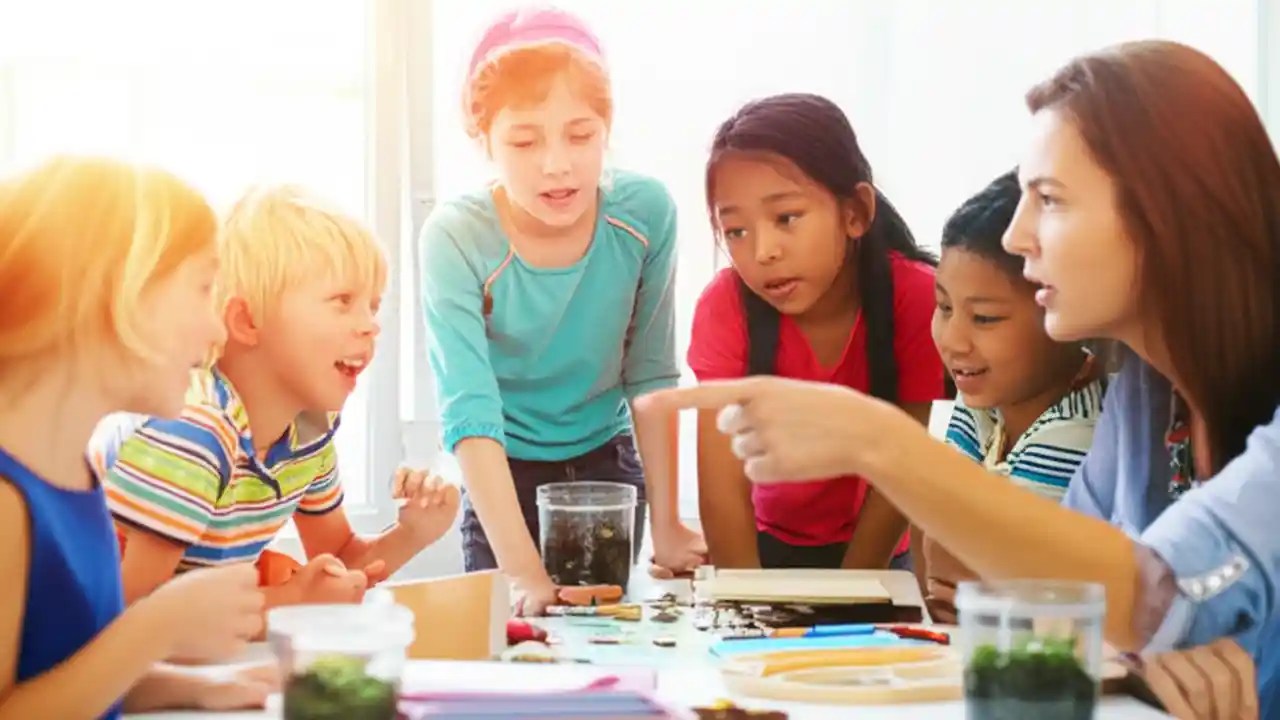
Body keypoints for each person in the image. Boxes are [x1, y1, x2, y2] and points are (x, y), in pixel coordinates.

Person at [645, 40, 1280, 718]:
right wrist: (1130, 645)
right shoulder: (1142, 395)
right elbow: (1068, 604)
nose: (1015, 235)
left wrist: (878, 441)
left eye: (1049, 199)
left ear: (1167, 213)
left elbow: (1151, 596)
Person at [420, 5, 703, 614]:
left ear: (607, 127)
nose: (557, 164)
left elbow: (651, 373)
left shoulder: (646, 214)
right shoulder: (456, 236)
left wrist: (669, 525)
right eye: (524, 141)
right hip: (503, 475)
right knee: (519, 646)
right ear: (483, 140)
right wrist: (522, 573)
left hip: (608, 470)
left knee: (607, 637)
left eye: (580, 135)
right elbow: (470, 412)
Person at [94, 185, 459, 609]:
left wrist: (413, 533)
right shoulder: (192, 429)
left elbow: (339, 563)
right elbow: (130, 613)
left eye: (372, 306)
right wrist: (289, 600)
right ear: (247, 321)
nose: (370, 326)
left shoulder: (309, 428)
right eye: (342, 301)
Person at [0, 156, 271, 718]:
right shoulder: (6, 500)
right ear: (116, 291)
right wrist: (157, 627)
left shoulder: (75, 470)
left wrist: (197, 686)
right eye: (202, 288)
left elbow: (64, 674)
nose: (216, 328)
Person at [686, 93, 944, 570]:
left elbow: (900, 470)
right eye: (736, 231)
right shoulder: (725, 306)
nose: (763, 252)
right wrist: (746, 600)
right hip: (765, 543)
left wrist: (855, 592)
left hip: (880, 549)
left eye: (786, 218)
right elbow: (722, 492)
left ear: (855, 213)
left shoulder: (916, 297)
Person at [923, 169, 1106, 621]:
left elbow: (955, 555)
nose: (953, 340)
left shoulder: (1081, 433)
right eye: (944, 307)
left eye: (985, 318)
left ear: (1063, 309)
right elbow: (938, 553)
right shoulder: (980, 401)